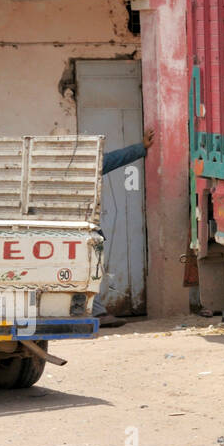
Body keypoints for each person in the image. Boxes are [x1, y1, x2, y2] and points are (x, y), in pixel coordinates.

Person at [94, 128, 154, 327]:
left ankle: (95, 312)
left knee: (88, 271)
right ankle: (96, 313)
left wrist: (140, 147)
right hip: (80, 229)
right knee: (89, 272)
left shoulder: (87, 164)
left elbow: (113, 159)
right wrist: (141, 147)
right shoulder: (87, 163)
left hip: (81, 229)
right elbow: (113, 159)